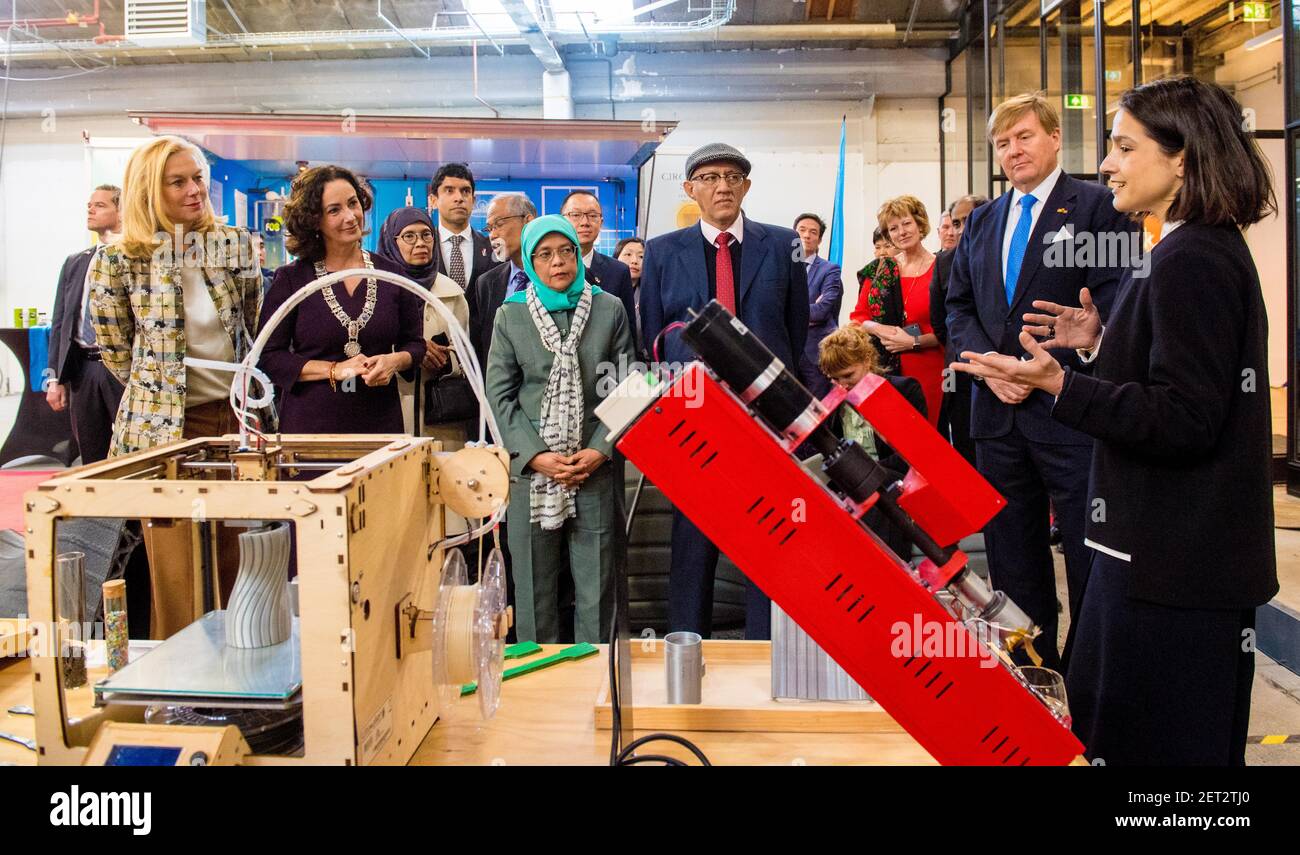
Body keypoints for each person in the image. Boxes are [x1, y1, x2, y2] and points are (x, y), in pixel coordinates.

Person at [952, 76, 1278, 765]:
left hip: (1171, 569)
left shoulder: (1191, 259)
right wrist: (1100, 340)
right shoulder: (1185, 249)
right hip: (1160, 559)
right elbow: (1174, 373)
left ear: (1183, 156)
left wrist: (1063, 385)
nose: (1106, 164)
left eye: (1125, 147)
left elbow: (1186, 416)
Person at [944, 91, 1137, 671]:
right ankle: (1033, 677)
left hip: (1070, 410)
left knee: (1087, 556)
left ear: (1055, 137)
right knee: (1012, 562)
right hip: (996, 415)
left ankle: (1088, 680)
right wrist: (990, 368)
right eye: (1003, 143)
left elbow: (1115, 305)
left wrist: (1045, 371)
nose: (1013, 150)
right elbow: (957, 307)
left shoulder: (1102, 208)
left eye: (1024, 136)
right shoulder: (982, 219)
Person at [90, 136, 262, 637]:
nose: (194, 190)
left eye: (198, 179)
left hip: (229, 422)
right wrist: (161, 392)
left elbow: (248, 322)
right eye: (178, 181)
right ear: (149, 189)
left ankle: (235, 676)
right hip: (165, 430)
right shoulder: (118, 260)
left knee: (232, 555)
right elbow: (117, 350)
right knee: (175, 567)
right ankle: (178, 688)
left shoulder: (231, 245)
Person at [640, 142, 809, 641]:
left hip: (768, 416)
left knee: (770, 534)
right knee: (694, 538)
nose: (722, 186)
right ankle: (687, 645)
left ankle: (765, 644)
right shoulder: (662, 252)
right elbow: (652, 339)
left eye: (733, 177)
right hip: (694, 419)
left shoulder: (781, 245)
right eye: (710, 177)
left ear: (747, 186)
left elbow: (795, 329)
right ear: (691, 189)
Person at [486, 215, 635, 644]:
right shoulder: (510, 316)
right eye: (545, 254)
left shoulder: (609, 309)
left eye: (566, 251)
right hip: (533, 473)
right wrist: (535, 456)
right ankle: (540, 681)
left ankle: (595, 684)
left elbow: (628, 385)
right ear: (530, 262)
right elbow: (500, 396)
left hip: (595, 470)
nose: (558, 263)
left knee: (598, 587)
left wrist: (600, 449)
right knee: (534, 589)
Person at [258, 166, 425, 435]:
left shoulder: (392, 274)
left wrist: (394, 361)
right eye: (334, 210)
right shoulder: (292, 279)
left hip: (379, 424)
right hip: (311, 427)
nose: (350, 217)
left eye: (353, 204)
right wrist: (334, 370)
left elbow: (415, 345)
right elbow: (269, 357)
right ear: (314, 220)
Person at [816, 324, 926, 559]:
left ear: (867, 361)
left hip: (896, 481)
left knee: (875, 491)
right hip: (851, 484)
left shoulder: (905, 390)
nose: (843, 385)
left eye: (848, 376)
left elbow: (918, 454)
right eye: (835, 379)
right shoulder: (833, 405)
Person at [376, 206, 471, 443]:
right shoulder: (376, 289)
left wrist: (444, 356)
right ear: (391, 242)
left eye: (426, 234)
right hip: (390, 408)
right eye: (409, 236)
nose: (420, 243)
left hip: (443, 417)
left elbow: (468, 354)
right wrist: (413, 351)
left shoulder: (453, 293)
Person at [46, 185, 124, 464]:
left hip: (122, 368)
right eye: (89, 205)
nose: (91, 210)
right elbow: (60, 323)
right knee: (90, 448)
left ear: (121, 210)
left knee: (133, 448)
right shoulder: (75, 262)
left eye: (100, 205)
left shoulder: (135, 259)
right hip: (83, 368)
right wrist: (55, 378)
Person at [856, 196, 944, 427]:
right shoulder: (880, 270)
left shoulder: (942, 269)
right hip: (887, 368)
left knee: (929, 437)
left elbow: (952, 327)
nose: (901, 232)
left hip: (931, 369)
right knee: (895, 438)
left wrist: (913, 342)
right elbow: (859, 317)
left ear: (919, 223)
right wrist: (880, 328)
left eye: (906, 223)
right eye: (893, 228)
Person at [930, 194, 988, 464]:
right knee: (965, 448)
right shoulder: (943, 263)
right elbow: (941, 321)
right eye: (956, 222)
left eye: (969, 220)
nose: (961, 228)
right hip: (959, 369)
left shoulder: (1007, 255)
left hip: (1007, 367)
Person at [469, 193, 537, 371]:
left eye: (498, 225)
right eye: (489, 229)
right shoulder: (486, 284)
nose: (493, 235)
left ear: (528, 221)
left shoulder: (559, 276)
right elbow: (483, 347)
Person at [559, 190, 637, 334]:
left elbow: (628, 329)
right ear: (562, 221)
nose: (585, 222)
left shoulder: (618, 271)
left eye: (592, 216)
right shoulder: (547, 268)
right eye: (576, 215)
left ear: (601, 222)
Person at [428, 162, 500, 294]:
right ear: (433, 201)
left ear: (473, 201)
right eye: (449, 191)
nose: (459, 198)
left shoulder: (493, 249)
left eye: (465, 191)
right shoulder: (423, 248)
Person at [793, 213, 842, 398]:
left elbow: (822, 311)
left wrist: (791, 314)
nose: (807, 235)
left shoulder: (830, 270)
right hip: (789, 351)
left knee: (819, 408)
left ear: (820, 240)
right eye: (802, 230)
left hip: (816, 352)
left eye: (813, 232)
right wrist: (807, 310)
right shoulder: (781, 266)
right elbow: (773, 306)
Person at [614, 236, 646, 358]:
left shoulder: (650, 295)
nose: (634, 261)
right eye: (628, 254)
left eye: (641, 256)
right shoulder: (605, 290)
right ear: (616, 258)